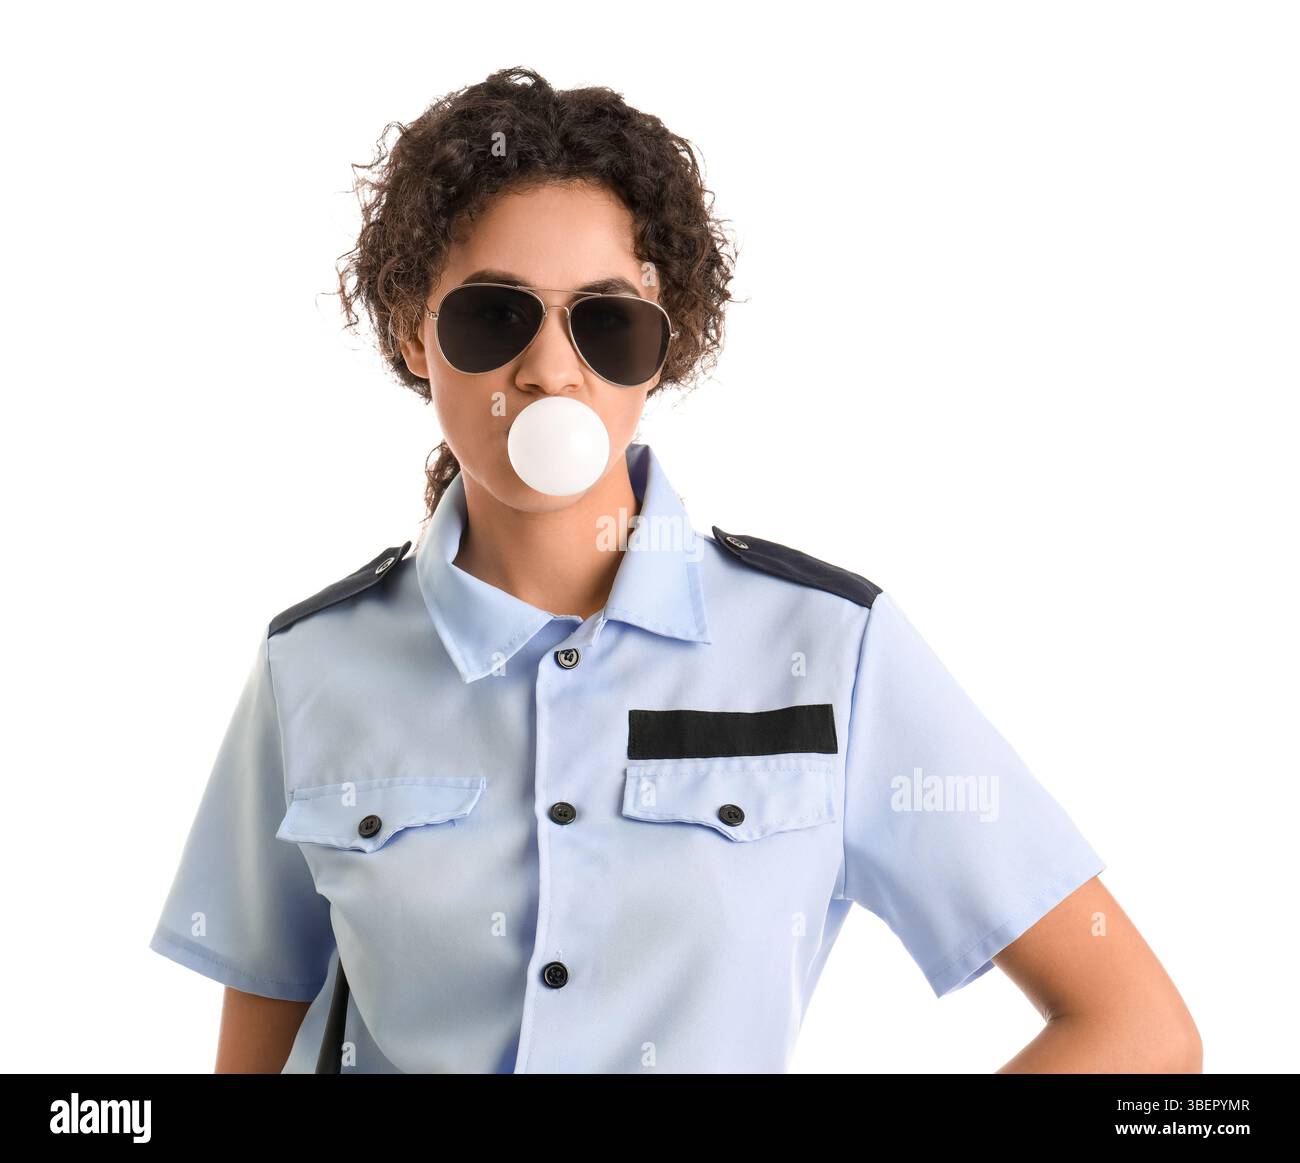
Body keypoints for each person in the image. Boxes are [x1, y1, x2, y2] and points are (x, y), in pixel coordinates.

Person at [148, 66, 1201, 1074]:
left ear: (665, 343)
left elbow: (1135, 1026)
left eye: (605, 320)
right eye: (492, 313)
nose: (551, 367)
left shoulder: (831, 651)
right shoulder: (312, 665)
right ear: (411, 330)